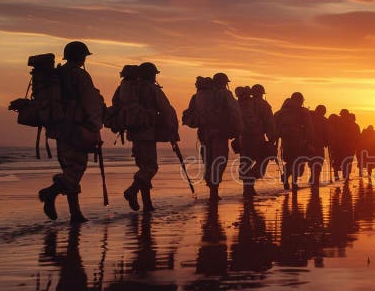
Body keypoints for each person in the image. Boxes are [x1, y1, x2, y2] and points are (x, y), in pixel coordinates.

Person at [38, 41, 104, 223]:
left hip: (59, 128)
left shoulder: (57, 74)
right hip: (76, 128)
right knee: (76, 168)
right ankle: (50, 193)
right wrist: (95, 125)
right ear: (80, 57)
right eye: (83, 55)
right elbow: (90, 102)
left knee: (69, 168)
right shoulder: (80, 75)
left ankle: (75, 214)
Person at [112, 62, 178, 212]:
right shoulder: (152, 89)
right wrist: (172, 130)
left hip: (133, 132)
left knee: (143, 168)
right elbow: (166, 110)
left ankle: (147, 204)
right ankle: (132, 191)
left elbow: (116, 104)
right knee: (150, 168)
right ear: (152, 75)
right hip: (147, 133)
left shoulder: (127, 88)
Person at [184, 73, 242, 202]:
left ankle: (212, 191)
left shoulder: (198, 95)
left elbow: (189, 114)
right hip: (220, 133)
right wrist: (237, 132)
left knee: (209, 161)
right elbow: (235, 113)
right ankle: (214, 193)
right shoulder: (225, 94)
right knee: (219, 161)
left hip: (204, 134)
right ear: (224, 82)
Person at [237, 84, 277, 196]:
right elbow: (269, 122)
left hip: (242, 138)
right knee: (263, 159)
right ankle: (252, 180)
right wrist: (272, 138)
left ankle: (247, 189)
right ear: (261, 93)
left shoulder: (241, 104)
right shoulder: (263, 104)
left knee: (245, 163)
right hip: (257, 138)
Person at [274, 92, 313, 190]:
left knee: (290, 161)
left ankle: (286, 178)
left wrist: (274, 142)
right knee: (298, 162)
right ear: (300, 100)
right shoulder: (303, 111)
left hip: (285, 142)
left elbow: (274, 128)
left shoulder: (280, 112)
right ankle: (294, 183)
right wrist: (311, 141)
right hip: (299, 142)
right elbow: (309, 128)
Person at [308, 105, 330, 187]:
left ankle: (313, 177)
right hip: (318, 145)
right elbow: (327, 133)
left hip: (309, 144)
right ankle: (315, 178)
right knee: (318, 161)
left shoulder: (309, 117)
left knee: (312, 161)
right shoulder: (324, 120)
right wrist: (328, 142)